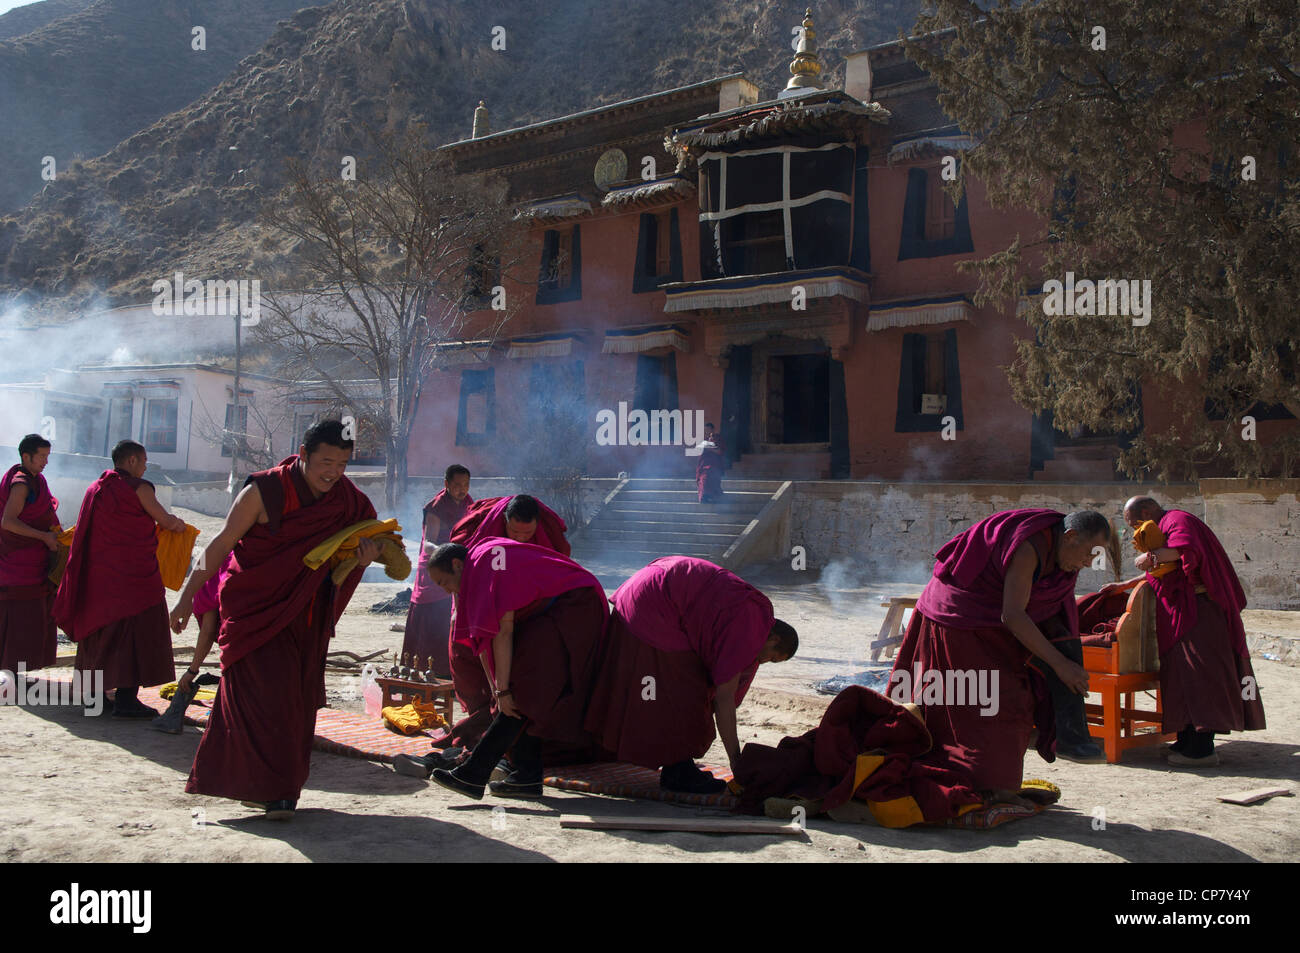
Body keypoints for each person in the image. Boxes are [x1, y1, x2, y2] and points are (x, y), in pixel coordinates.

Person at [172, 421, 379, 819]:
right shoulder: (264, 491)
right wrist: (184, 599)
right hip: (253, 608)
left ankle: (280, 792)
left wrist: (361, 558)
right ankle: (269, 790)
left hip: (305, 614)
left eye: (342, 463)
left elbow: (350, 552)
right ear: (303, 453)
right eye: (325, 461)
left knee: (294, 703)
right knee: (261, 700)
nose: (333, 472)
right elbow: (221, 543)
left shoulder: (348, 501)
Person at [891, 508, 1110, 799]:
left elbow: (1055, 610)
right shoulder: (1028, 549)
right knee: (981, 701)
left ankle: (997, 780)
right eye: (1088, 555)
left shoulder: (1059, 554)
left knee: (1015, 699)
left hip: (988, 621)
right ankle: (977, 779)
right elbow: (1013, 616)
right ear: (1070, 537)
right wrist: (1060, 665)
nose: (1087, 564)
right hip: (959, 616)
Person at [392, 493, 571, 776]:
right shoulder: (485, 544)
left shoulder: (544, 534)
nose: (520, 541)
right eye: (514, 532)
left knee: (519, 684)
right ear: (503, 523)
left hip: (531, 617)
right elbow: (473, 589)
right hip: (489, 611)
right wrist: (499, 687)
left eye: (528, 534)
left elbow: (553, 572)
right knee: (478, 671)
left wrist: (502, 688)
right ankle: (484, 755)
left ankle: (479, 757)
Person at [584, 556, 798, 793]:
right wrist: (736, 760)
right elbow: (723, 698)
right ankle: (679, 771)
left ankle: (674, 764)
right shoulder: (750, 624)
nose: (763, 662)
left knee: (669, 689)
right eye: (771, 657)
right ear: (774, 638)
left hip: (643, 590)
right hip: (655, 606)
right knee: (687, 694)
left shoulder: (753, 614)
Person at [424, 538, 608, 800]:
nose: (445, 591)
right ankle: (526, 777)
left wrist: (504, 690)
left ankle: (473, 773)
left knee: (523, 689)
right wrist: (497, 690)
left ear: (456, 565)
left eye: (443, 582)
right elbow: (485, 643)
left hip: (575, 605)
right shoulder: (476, 571)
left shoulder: (486, 567)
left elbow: (504, 630)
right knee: (515, 691)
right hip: (544, 610)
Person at [1119, 496, 1266, 766]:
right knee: (1180, 675)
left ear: (1148, 510)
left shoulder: (1177, 520)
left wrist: (1149, 557)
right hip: (1181, 612)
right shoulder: (1162, 526)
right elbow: (1168, 568)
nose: (1136, 530)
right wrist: (1129, 582)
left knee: (1202, 674)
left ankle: (1203, 749)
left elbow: (1184, 549)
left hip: (1201, 612)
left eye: (1136, 522)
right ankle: (1186, 739)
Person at [54, 440, 185, 717]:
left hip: (98, 578)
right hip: (134, 579)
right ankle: (126, 700)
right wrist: (178, 525)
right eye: (145, 460)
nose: (146, 466)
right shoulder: (139, 488)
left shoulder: (95, 489)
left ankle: (95, 698)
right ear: (133, 461)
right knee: (137, 633)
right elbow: (164, 520)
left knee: (99, 632)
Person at [400, 465, 472, 677]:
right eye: (457, 485)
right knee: (434, 613)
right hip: (435, 564)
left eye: (466, 485)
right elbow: (428, 542)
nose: (462, 490)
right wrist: (445, 551)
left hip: (456, 565)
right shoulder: (437, 507)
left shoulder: (470, 504)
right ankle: (426, 668)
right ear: (446, 484)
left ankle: (451, 668)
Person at [0, 434, 63, 675]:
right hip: (18, 563)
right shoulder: (21, 483)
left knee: (28, 621)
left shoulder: (37, 480)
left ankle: (11, 672)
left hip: (31, 561)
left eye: (47, 456)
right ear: (26, 456)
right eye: (42, 456)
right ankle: (8, 673)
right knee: (17, 620)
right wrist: (44, 537)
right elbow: (8, 522)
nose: (46, 461)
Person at [696, 422, 726, 503]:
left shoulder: (718, 439)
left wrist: (710, 449)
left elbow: (720, 451)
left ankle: (710, 496)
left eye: (708, 429)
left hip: (714, 465)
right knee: (703, 479)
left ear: (713, 429)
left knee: (709, 479)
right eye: (705, 430)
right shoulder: (705, 440)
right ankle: (704, 497)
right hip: (704, 464)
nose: (706, 431)